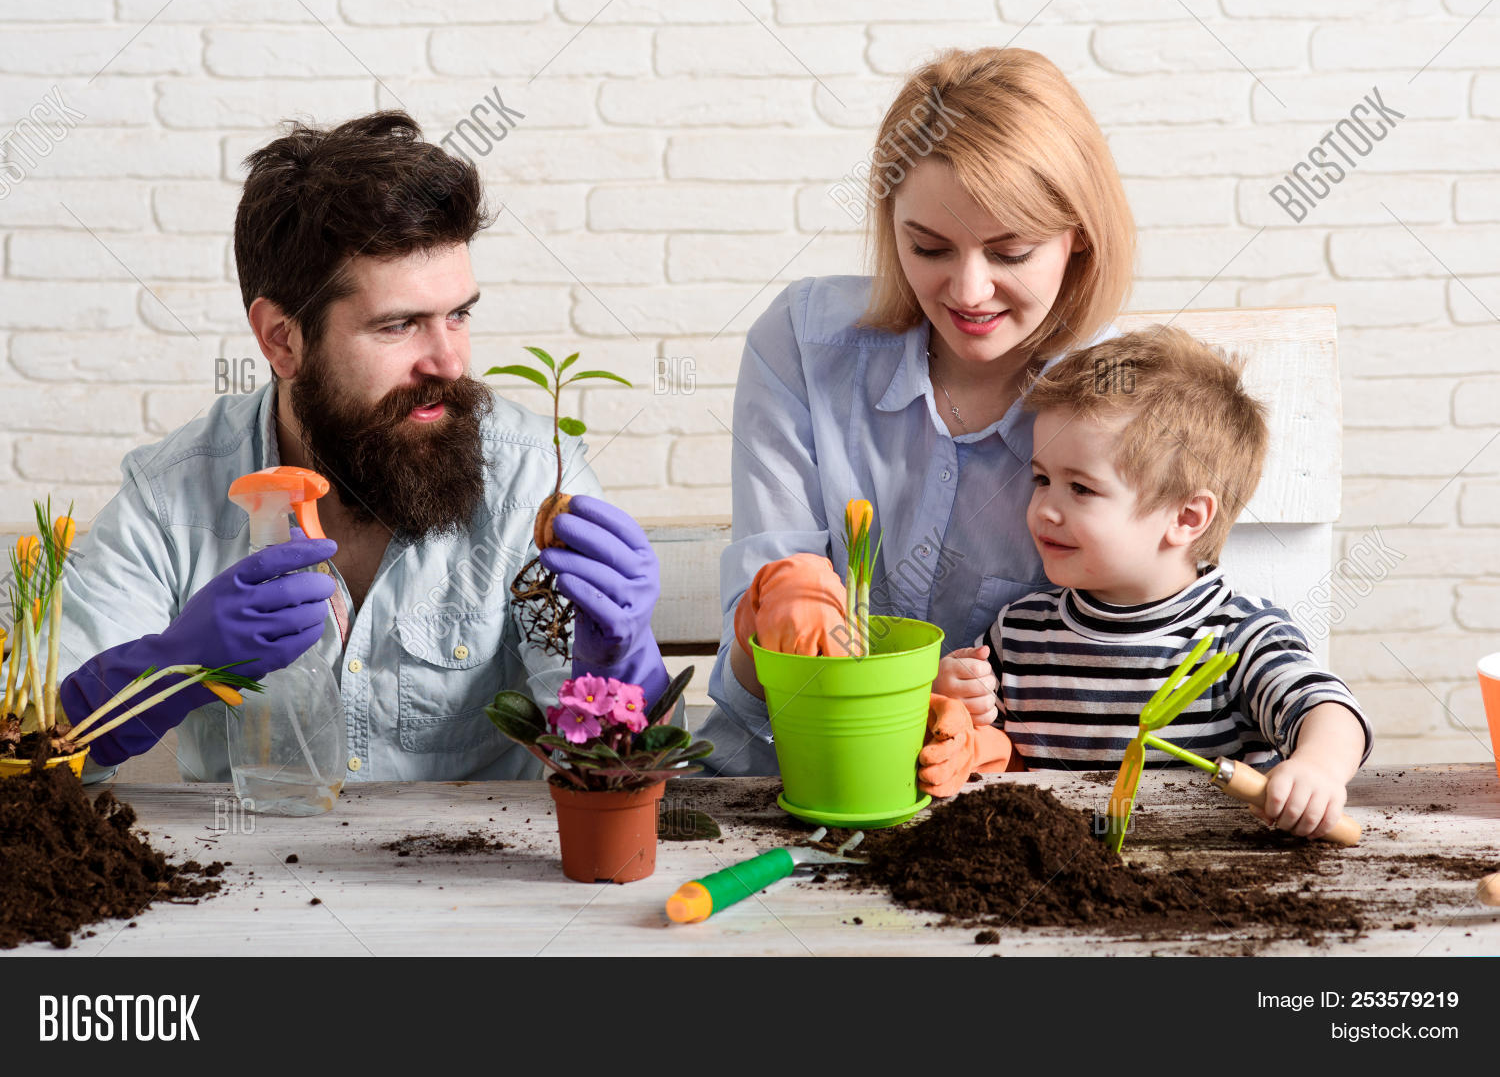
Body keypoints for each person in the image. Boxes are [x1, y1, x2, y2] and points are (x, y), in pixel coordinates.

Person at [57, 111, 668, 783]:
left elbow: (635, 790)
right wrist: (170, 668)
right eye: (400, 324)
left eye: (459, 314)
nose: (449, 361)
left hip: (472, 880)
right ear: (282, 340)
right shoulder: (170, 500)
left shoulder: (527, 476)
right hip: (247, 878)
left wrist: (619, 662)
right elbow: (32, 758)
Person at [704, 47, 1135, 775]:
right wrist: (769, 612)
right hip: (784, 780)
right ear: (889, 223)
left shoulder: (1124, 402)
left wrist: (966, 725)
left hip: (993, 803)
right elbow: (751, 704)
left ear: (1079, 235)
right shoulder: (803, 344)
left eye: (1011, 252)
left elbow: (1130, 676)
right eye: (929, 247)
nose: (969, 291)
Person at [921, 326, 1372, 839]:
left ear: (1186, 517)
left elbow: (1328, 708)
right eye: (1042, 479)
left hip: (1203, 865)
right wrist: (952, 696)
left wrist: (1317, 767)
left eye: (1081, 488)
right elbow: (977, 748)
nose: (1044, 508)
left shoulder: (1239, 636)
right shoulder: (1018, 632)